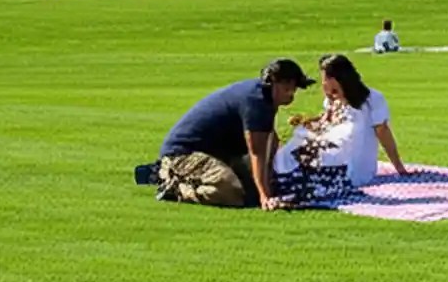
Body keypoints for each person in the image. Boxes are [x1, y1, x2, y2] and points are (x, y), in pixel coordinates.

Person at [156, 58, 316, 210]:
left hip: (219, 154)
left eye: (294, 86)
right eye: (287, 85)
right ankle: (176, 187)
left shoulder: (264, 99)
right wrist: (265, 197)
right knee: (231, 191)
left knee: (256, 188)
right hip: (183, 154)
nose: (292, 91)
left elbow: (270, 140)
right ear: (273, 82)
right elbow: (257, 153)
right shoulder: (256, 101)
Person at [273, 54, 409, 194]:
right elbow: (327, 122)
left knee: (303, 159)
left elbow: (383, 132)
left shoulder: (372, 99)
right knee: (297, 147)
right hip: (333, 150)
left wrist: (398, 167)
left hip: (354, 164)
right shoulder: (332, 99)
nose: (323, 84)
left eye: (325, 78)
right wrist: (309, 121)